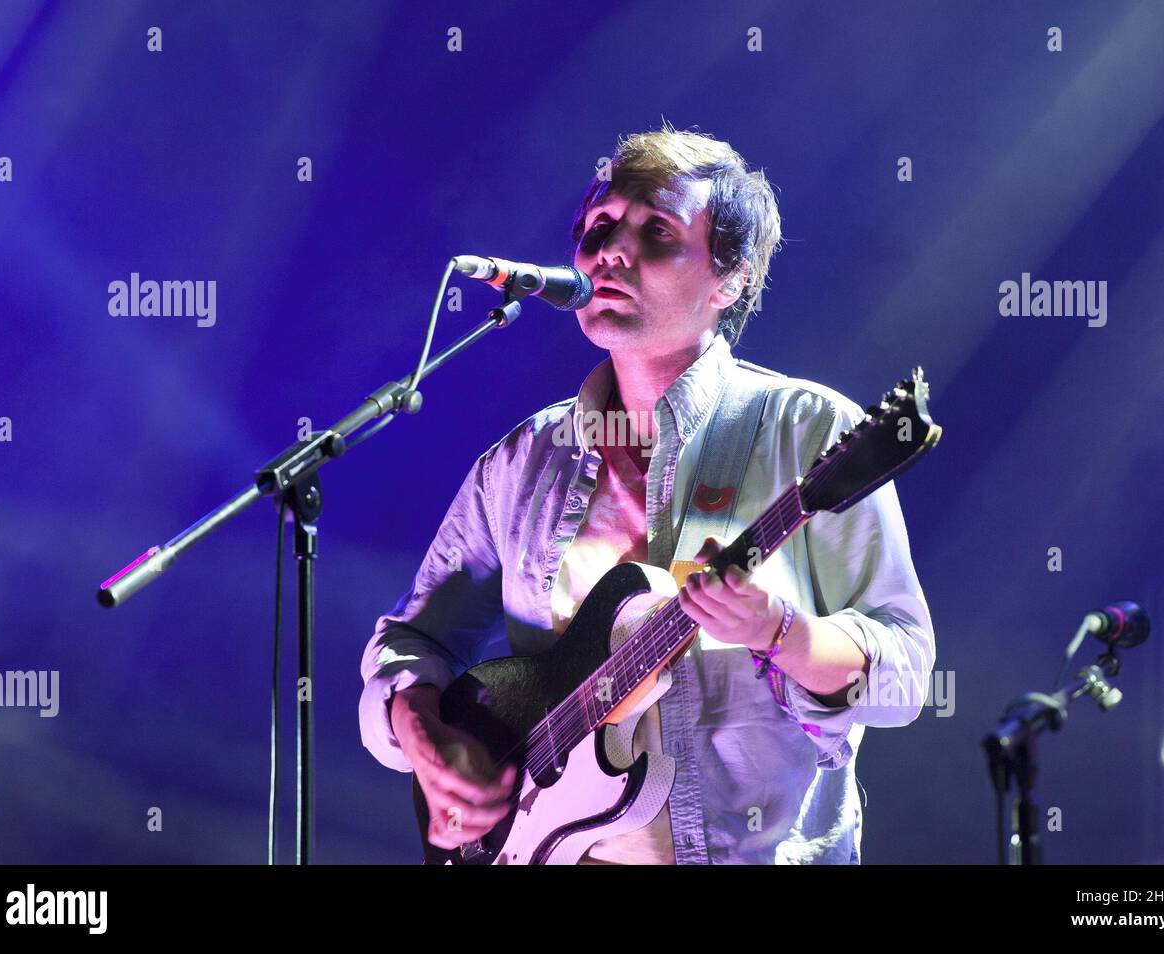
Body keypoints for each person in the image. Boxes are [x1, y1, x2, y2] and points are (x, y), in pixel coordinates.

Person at [359, 123, 935, 864]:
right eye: (600, 227)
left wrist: (777, 630)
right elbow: (415, 640)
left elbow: (906, 672)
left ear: (729, 281)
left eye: (657, 231)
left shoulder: (808, 429)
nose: (611, 251)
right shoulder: (523, 461)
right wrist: (424, 735)